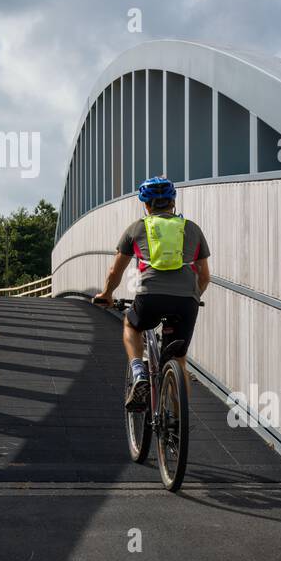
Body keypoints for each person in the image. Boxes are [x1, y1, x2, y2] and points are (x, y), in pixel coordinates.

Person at [92, 176, 210, 410]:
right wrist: (194, 295)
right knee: (178, 359)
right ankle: (178, 421)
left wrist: (106, 294)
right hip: (186, 302)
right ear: (173, 202)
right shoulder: (192, 229)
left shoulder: (137, 228)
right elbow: (204, 276)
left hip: (150, 298)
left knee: (132, 325)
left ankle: (139, 372)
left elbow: (116, 270)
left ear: (145, 205)